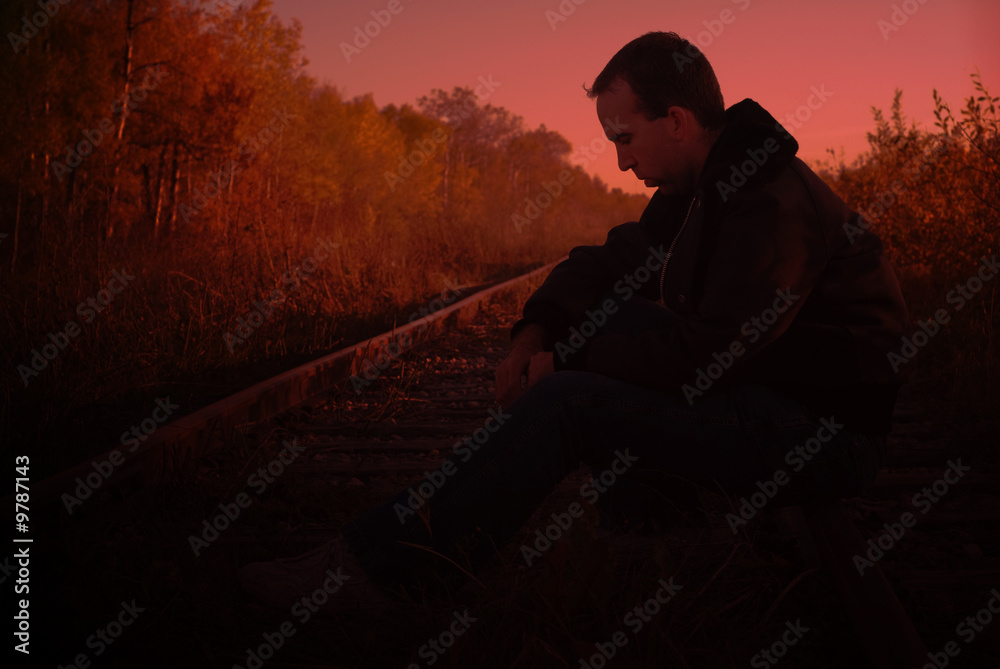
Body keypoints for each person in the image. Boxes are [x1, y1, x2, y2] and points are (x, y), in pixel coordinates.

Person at [240, 31, 908, 613]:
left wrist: (571, 365)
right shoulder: (705, 186)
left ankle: (389, 571)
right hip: (769, 398)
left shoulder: (767, 198)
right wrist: (537, 331)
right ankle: (651, 535)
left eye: (624, 136)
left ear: (675, 120)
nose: (621, 160)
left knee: (570, 400)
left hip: (822, 432)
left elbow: (709, 355)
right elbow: (605, 263)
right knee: (601, 324)